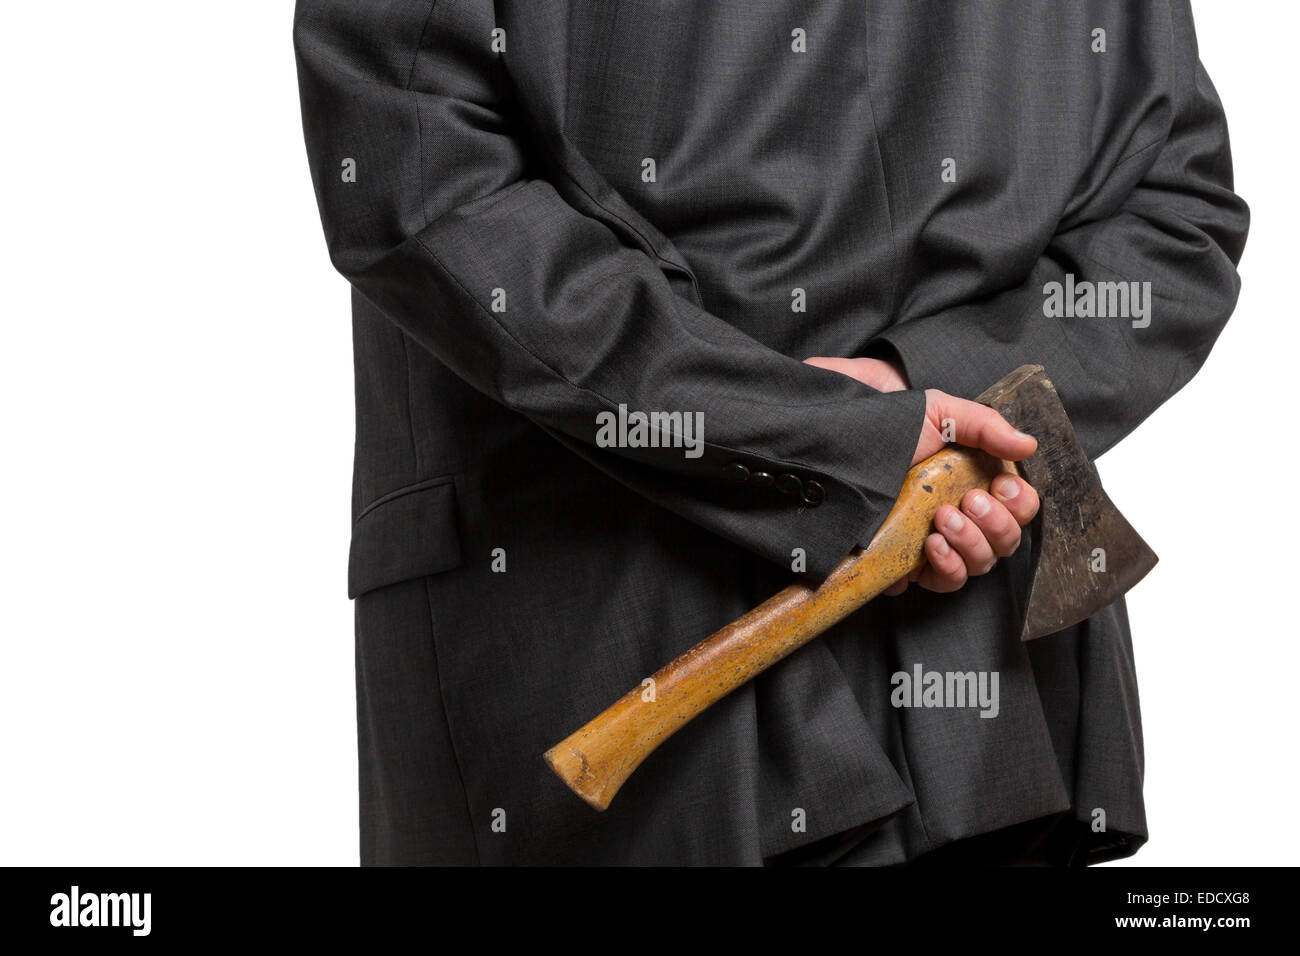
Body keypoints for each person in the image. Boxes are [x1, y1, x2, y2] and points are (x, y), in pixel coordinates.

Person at [292, 0, 1248, 865]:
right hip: (944, 713)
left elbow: (419, 179)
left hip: (637, 676)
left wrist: (868, 422)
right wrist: (905, 409)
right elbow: (1173, 215)